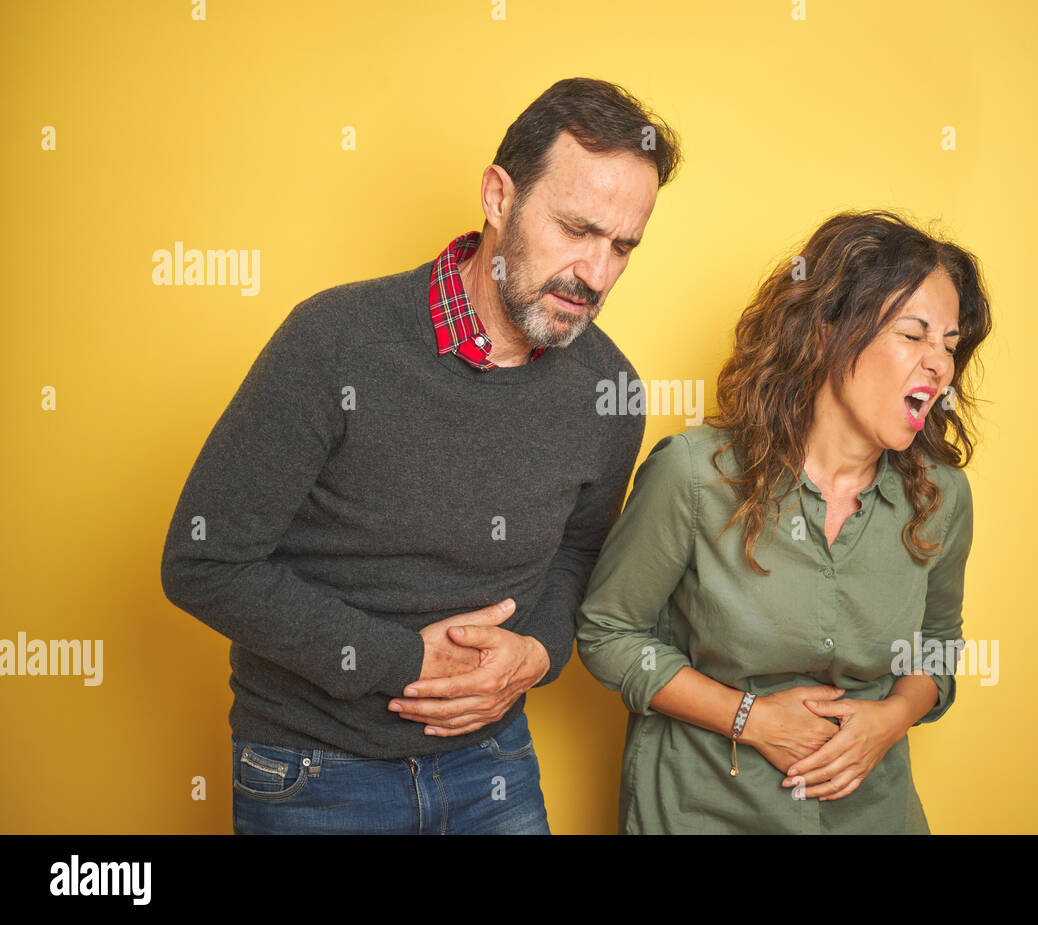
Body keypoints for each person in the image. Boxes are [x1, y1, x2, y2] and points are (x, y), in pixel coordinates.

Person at [160, 77, 681, 834]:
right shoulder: (334, 341)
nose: (595, 276)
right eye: (576, 229)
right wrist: (399, 659)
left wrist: (537, 653)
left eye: (622, 246)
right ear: (499, 196)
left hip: (493, 763)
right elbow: (204, 562)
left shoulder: (612, 391)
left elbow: (576, 557)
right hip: (315, 771)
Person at [576, 210, 991, 833]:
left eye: (950, 346)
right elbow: (608, 633)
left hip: (871, 815)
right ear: (827, 332)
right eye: (914, 334)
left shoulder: (942, 496)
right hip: (705, 810)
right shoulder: (693, 475)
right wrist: (750, 717)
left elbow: (937, 645)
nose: (939, 365)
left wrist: (890, 720)